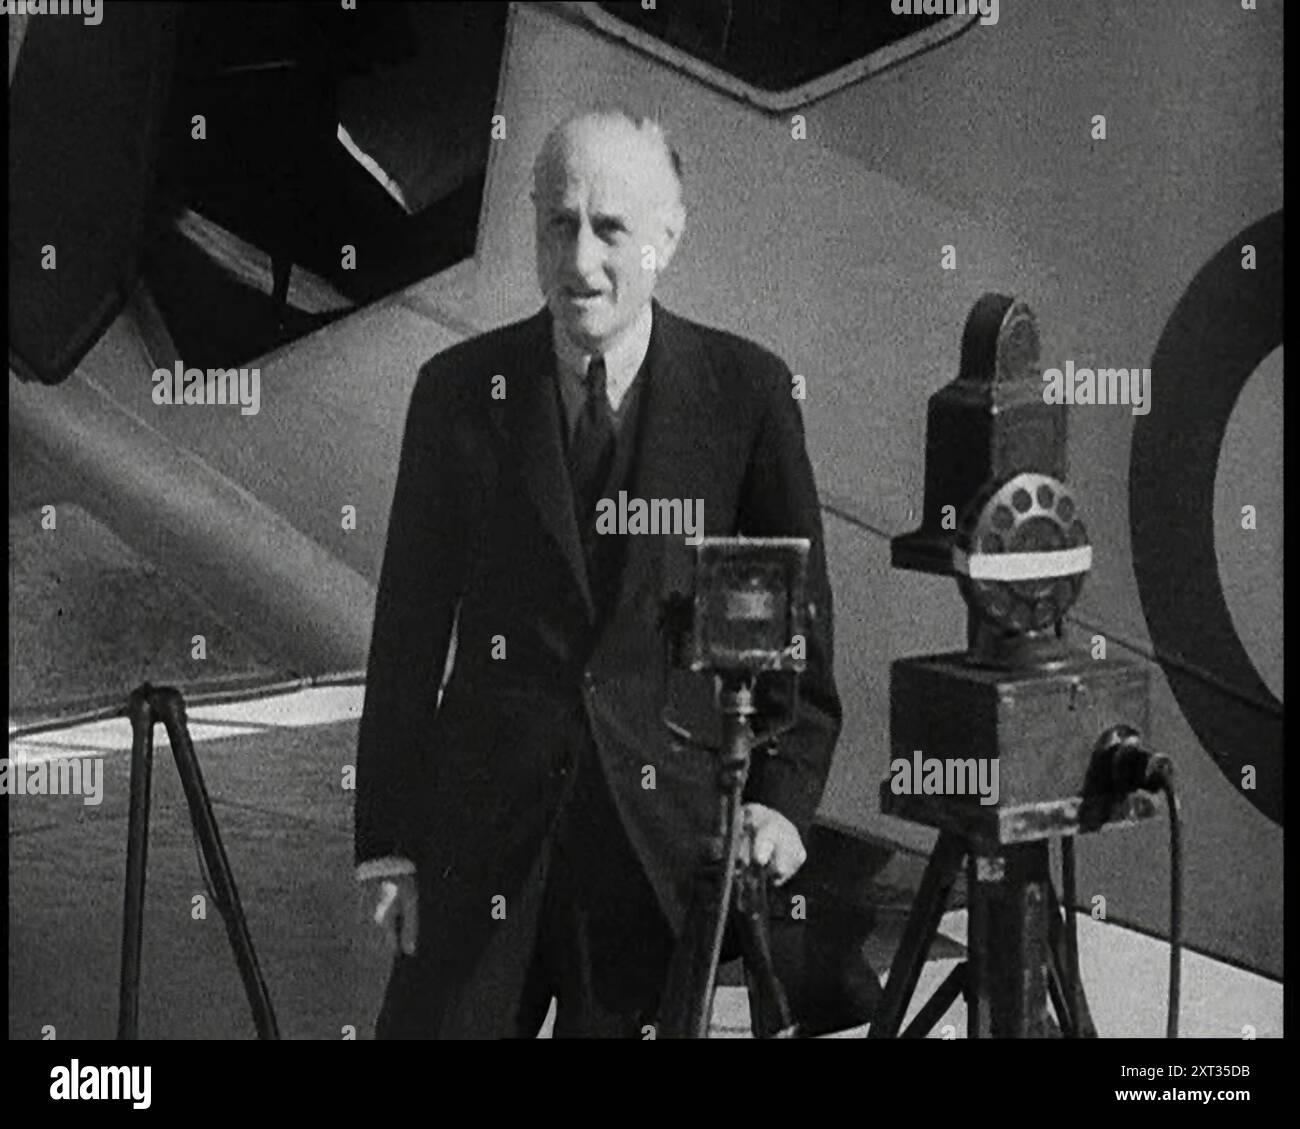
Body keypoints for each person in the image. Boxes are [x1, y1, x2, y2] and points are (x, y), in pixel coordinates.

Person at [354, 109, 843, 1038]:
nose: (580, 261)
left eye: (612, 228)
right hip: (480, 842)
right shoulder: (459, 393)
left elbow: (802, 632)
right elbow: (407, 631)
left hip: (654, 856)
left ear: (669, 234)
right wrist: (387, 844)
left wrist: (783, 804)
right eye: (559, 223)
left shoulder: (747, 397)